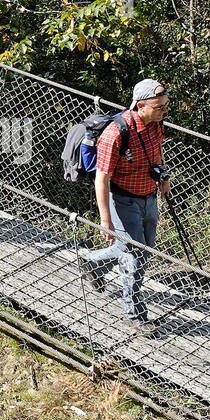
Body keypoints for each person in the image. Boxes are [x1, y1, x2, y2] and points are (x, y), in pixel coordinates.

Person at [79, 79, 171, 337]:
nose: (164, 111)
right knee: (135, 255)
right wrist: (105, 220)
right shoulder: (116, 133)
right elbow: (102, 177)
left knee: (140, 249)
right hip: (123, 200)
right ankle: (135, 315)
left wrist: (164, 177)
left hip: (148, 195)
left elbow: (158, 150)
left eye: (166, 106)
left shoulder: (156, 123)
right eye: (159, 107)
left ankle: (92, 262)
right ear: (140, 106)